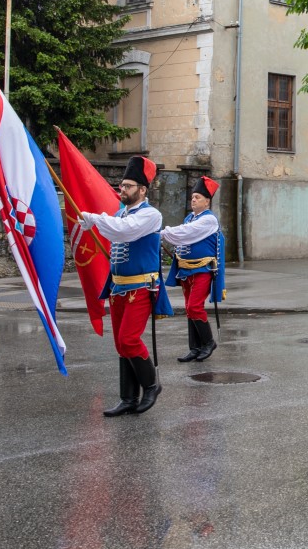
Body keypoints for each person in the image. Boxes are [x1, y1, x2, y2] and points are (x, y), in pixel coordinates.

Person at [81, 155, 168, 417]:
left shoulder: (151, 214)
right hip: (118, 288)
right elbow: (115, 230)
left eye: (128, 186)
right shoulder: (120, 213)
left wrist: (96, 219)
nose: (123, 190)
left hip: (141, 287)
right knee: (120, 344)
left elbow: (124, 231)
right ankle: (128, 398)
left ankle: (151, 385)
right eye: (121, 185)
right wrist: (94, 223)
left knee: (129, 339)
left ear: (143, 190)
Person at [162, 175, 224, 363]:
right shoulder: (190, 217)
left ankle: (208, 342)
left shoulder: (208, 220)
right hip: (186, 269)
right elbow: (182, 235)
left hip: (203, 269)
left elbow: (185, 233)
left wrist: (163, 232)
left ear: (207, 201)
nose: (193, 200)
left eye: (197, 197)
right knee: (190, 309)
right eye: (192, 197)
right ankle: (195, 348)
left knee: (194, 307)